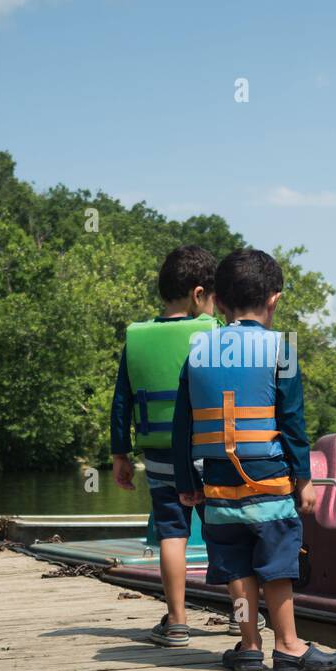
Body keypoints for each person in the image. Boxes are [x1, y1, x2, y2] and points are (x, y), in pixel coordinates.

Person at [172, 248, 336, 671]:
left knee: (234, 562)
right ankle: (288, 645)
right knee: (277, 562)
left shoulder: (197, 349)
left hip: (215, 478)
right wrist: (302, 478)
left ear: (220, 302)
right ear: (274, 300)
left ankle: (249, 645)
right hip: (269, 476)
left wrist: (184, 481)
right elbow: (292, 422)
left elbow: (182, 426)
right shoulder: (280, 348)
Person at [111, 245, 218, 647]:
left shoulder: (137, 338)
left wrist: (119, 453)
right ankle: (240, 616)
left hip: (159, 455)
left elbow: (122, 400)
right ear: (198, 294)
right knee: (222, 532)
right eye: (212, 299)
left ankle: (176, 621)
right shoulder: (212, 335)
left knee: (172, 532)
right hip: (208, 453)